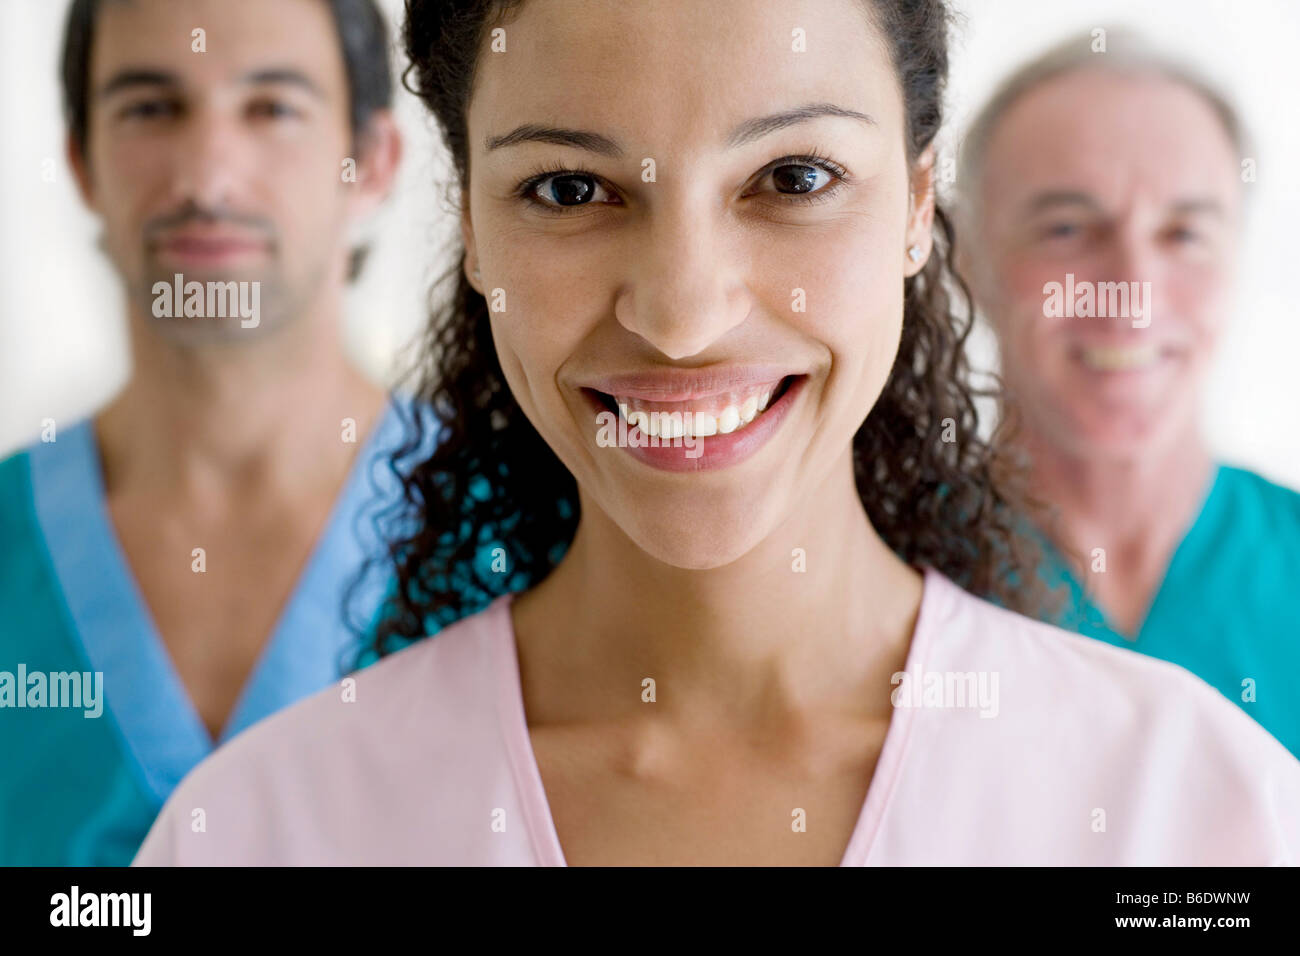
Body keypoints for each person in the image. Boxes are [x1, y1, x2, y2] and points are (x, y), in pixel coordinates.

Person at [134, 0, 1299, 866]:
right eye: (568, 189)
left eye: (792, 175)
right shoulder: (258, 831)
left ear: (911, 204)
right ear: (472, 231)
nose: (681, 316)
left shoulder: (1196, 814)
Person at [0, 0, 412, 865]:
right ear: (81, 163)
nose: (208, 178)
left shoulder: (533, 536)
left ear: (372, 162)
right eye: (151, 107)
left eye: (272, 108)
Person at [955, 31, 1300, 758]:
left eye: (1184, 233)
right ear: (968, 259)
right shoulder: (881, 580)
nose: (1133, 292)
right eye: (1068, 228)